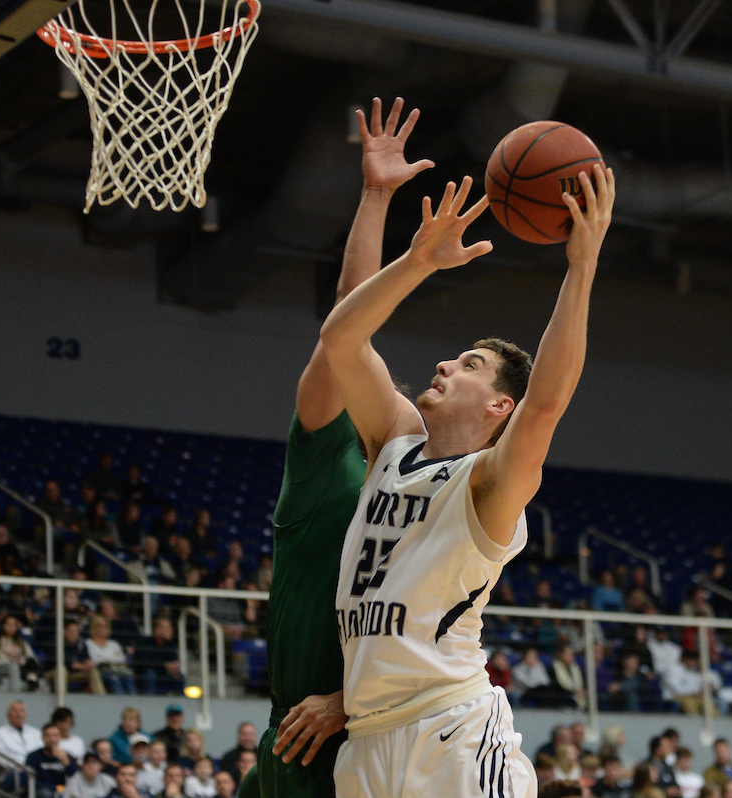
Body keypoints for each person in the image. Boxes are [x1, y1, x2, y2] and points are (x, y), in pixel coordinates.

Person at [315, 145, 612, 798]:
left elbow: (548, 404)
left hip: (451, 729)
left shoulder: (489, 483)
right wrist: (414, 257)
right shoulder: (392, 440)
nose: (446, 366)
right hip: (367, 739)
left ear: (500, 406)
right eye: (454, 358)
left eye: (470, 365)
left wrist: (582, 265)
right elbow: (341, 339)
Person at [251, 97, 433, 798]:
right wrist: (377, 196)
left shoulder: (426, 505)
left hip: (383, 740)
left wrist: (352, 704)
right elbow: (347, 322)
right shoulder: (327, 466)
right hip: (304, 743)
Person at [25, 725, 77, 798]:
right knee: (46, 794)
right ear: (42, 738)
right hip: (41, 791)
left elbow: (75, 776)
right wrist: (54, 788)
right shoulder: (33, 756)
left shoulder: (67, 757)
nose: (52, 739)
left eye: (55, 735)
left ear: (60, 737)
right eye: (48, 736)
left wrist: (67, 763)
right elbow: (29, 780)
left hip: (62, 792)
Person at [87, 617, 133, 694]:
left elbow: (121, 659)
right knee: (114, 678)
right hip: (101, 671)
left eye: (105, 626)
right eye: (99, 626)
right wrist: (112, 657)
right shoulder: (88, 643)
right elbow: (95, 660)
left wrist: (103, 657)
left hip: (117, 669)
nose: (102, 628)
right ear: (93, 627)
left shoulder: (114, 644)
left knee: (128, 676)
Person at [0, 701, 44, 769]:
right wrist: (16, 767)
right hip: (12, 771)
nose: (19, 714)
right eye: (15, 711)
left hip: (35, 770)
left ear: (25, 715)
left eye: (21, 711)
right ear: (8, 715)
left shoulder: (36, 733)